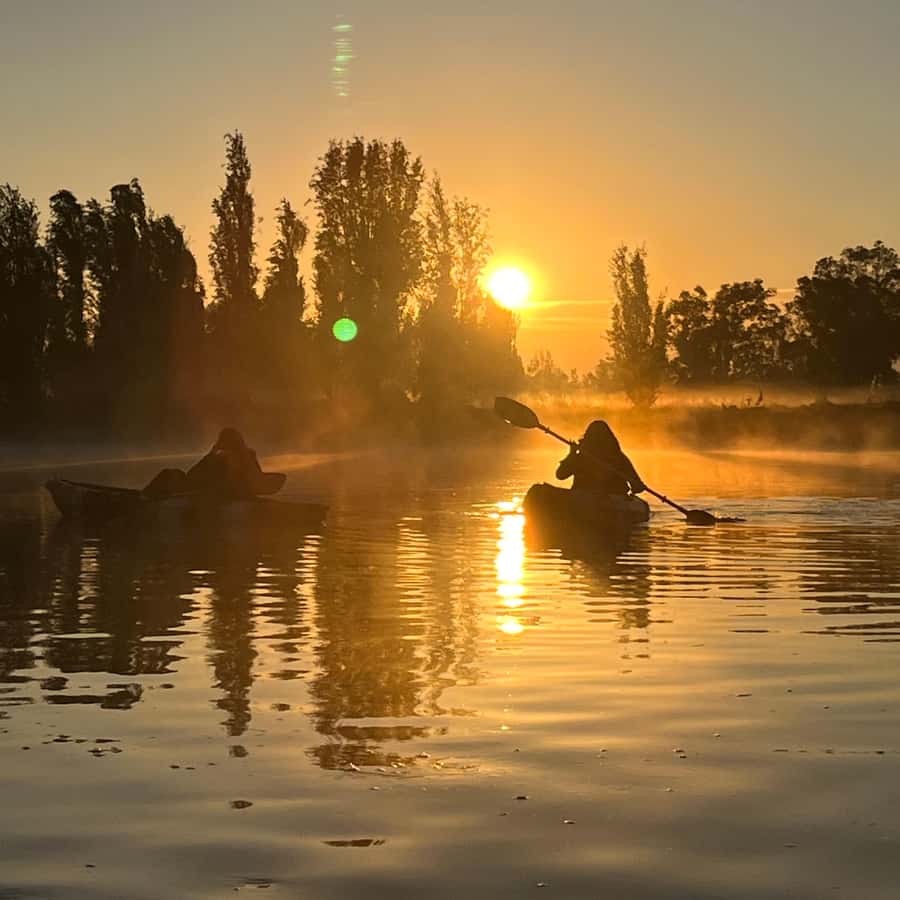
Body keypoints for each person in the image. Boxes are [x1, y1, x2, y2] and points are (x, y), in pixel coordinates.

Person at [142, 428, 267, 500]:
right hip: (202, 486)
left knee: (169, 474)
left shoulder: (220, 458)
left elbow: (194, 474)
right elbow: (257, 477)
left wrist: (211, 454)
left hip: (199, 488)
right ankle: (146, 494)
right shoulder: (247, 456)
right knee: (172, 473)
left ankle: (145, 495)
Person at [555, 420, 646, 496]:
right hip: (585, 498)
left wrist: (572, 455)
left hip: (611, 500)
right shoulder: (618, 457)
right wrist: (572, 454)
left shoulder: (618, 458)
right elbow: (560, 475)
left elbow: (560, 475)